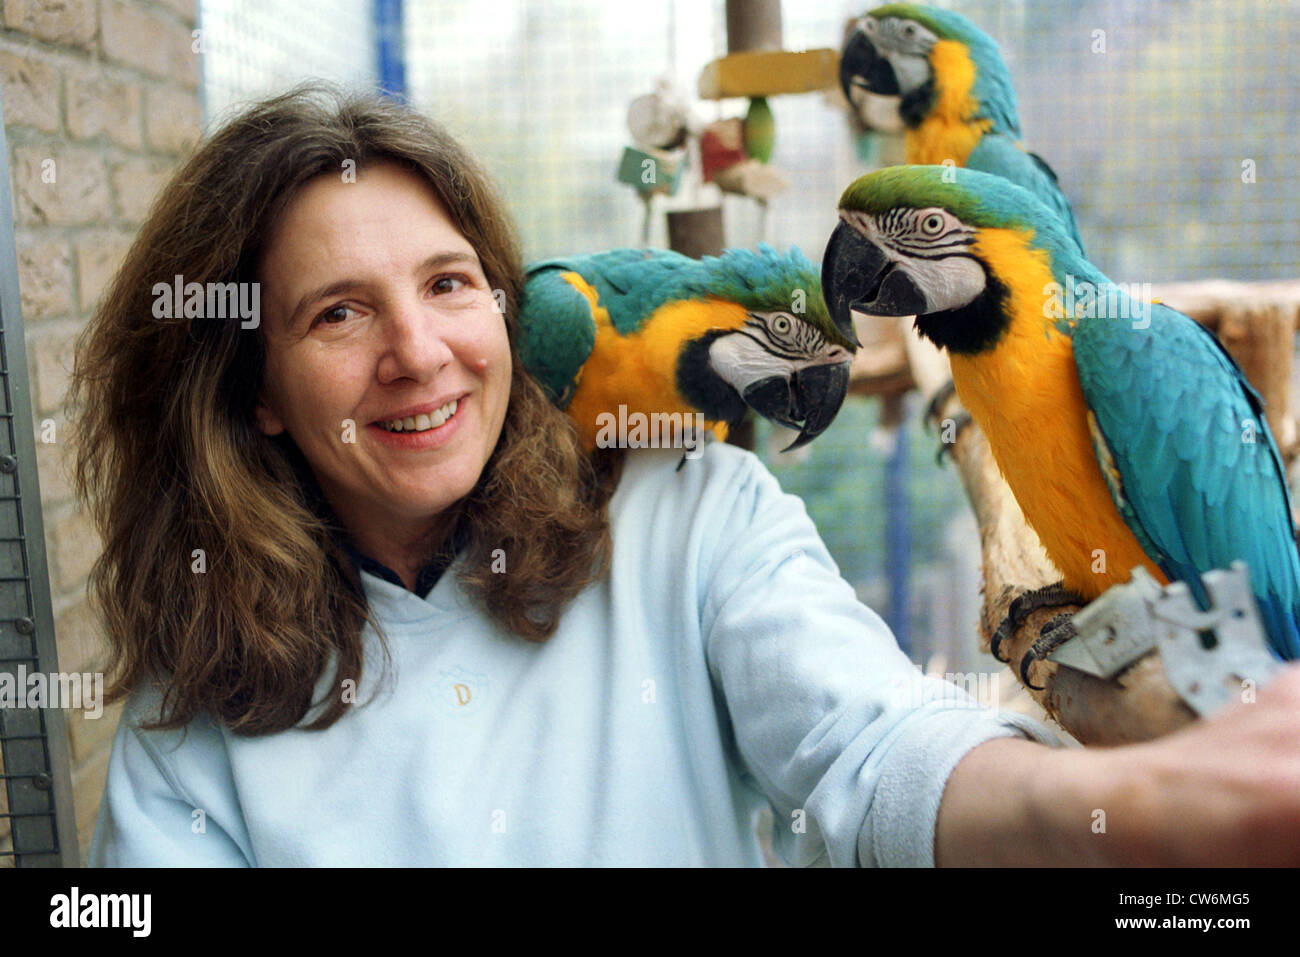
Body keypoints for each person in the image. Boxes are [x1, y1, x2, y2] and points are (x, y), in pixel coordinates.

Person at [76, 84, 1300, 867]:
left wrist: (1115, 810)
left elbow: (873, 753)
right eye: (339, 314)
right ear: (255, 395)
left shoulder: (691, 507)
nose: (418, 354)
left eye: (450, 284)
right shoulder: (190, 723)